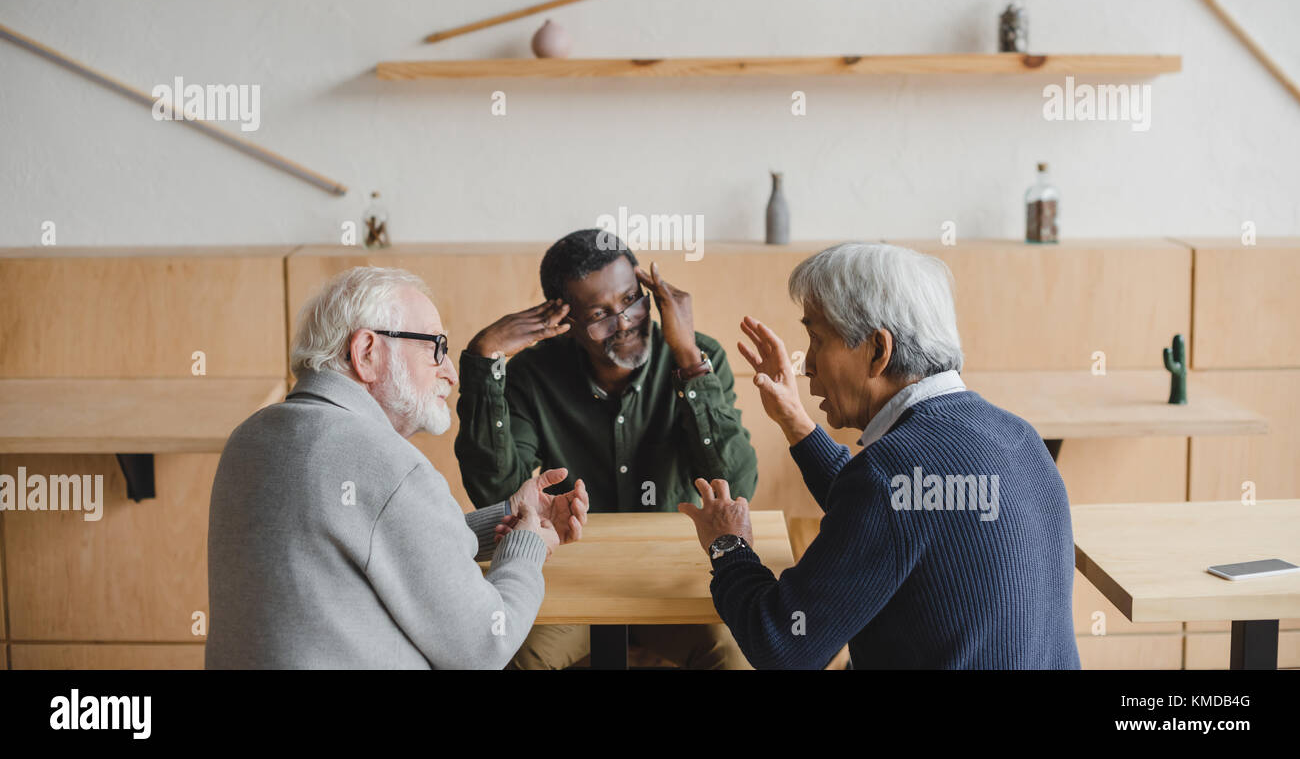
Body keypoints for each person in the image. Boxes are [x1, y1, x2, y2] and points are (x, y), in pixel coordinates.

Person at [678, 242, 1081, 669]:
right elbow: (902, 511)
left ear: (877, 351)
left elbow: (781, 644)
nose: (807, 365)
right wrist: (797, 422)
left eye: (817, 339)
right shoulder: (1019, 435)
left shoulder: (887, 477)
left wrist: (728, 545)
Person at [206, 266, 588, 669]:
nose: (451, 374)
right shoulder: (385, 463)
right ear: (367, 352)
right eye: (435, 347)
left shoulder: (251, 436)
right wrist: (526, 546)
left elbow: (378, 539)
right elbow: (487, 644)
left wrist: (510, 516)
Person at [455, 228, 758, 669]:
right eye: (600, 313)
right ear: (565, 319)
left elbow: (738, 484)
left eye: (633, 300)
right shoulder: (533, 374)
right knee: (512, 658)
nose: (625, 322)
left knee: (738, 653)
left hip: (673, 572)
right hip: (571, 574)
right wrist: (485, 362)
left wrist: (689, 361)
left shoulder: (697, 356)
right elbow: (497, 495)